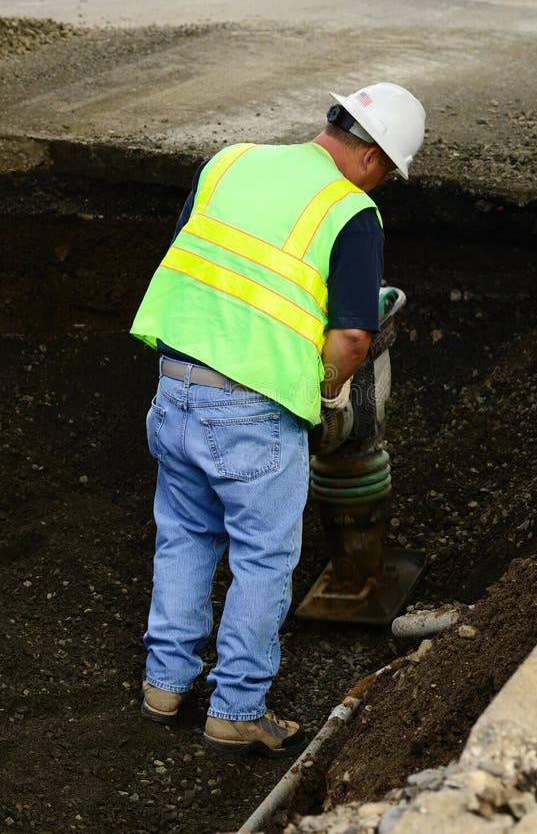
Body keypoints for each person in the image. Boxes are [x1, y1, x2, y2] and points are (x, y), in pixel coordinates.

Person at [130, 82, 426, 758]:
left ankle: (164, 685)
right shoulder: (351, 210)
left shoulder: (229, 161)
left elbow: (201, 265)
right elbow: (351, 338)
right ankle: (235, 710)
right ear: (376, 159)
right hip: (250, 406)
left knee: (184, 536)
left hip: (174, 387)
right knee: (264, 558)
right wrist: (324, 398)